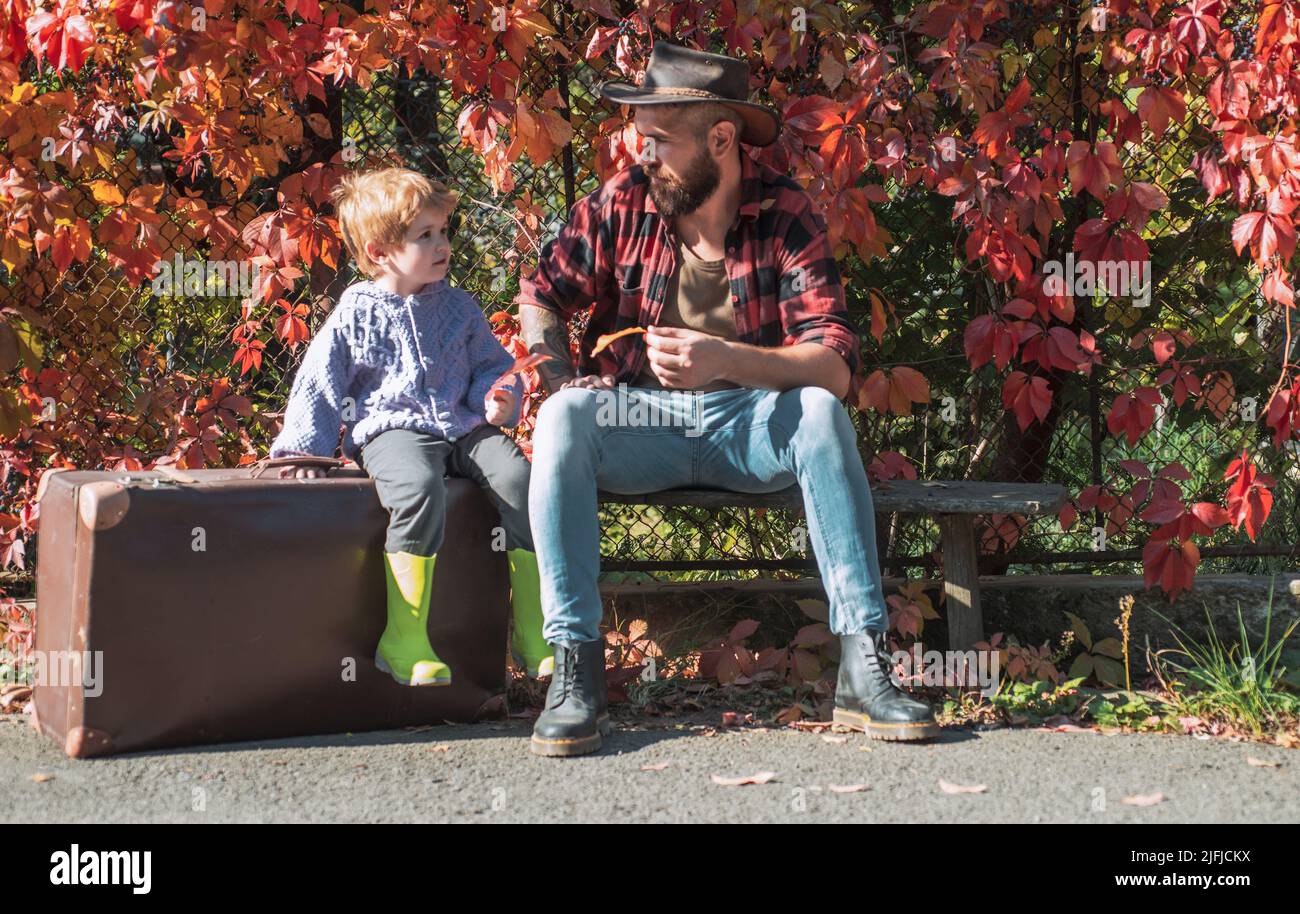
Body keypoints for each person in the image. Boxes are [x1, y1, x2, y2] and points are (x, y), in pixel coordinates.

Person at [517, 42, 938, 756]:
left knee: (820, 413)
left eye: (659, 140)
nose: (642, 154)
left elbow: (834, 364)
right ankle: (577, 674)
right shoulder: (621, 200)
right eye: (637, 138)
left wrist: (727, 359)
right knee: (561, 419)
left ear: (721, 138)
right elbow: (539, 295)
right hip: (638, 419)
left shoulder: (784, 212)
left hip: (750, 426)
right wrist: (562, 379)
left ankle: (864, 669)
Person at [269, 166, 553, 686]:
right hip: (390, 429)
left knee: (519, 479)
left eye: (444, 232)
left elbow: (491, 365)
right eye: (425, 236)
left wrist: (499, 395)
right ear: (380, 251)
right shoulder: (357, 309)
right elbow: (321, 378)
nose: (442, 245)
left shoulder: (458, 306)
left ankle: (533, 632)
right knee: (419, 488)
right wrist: (302, 451)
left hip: (461, 424)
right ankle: (404, 639)